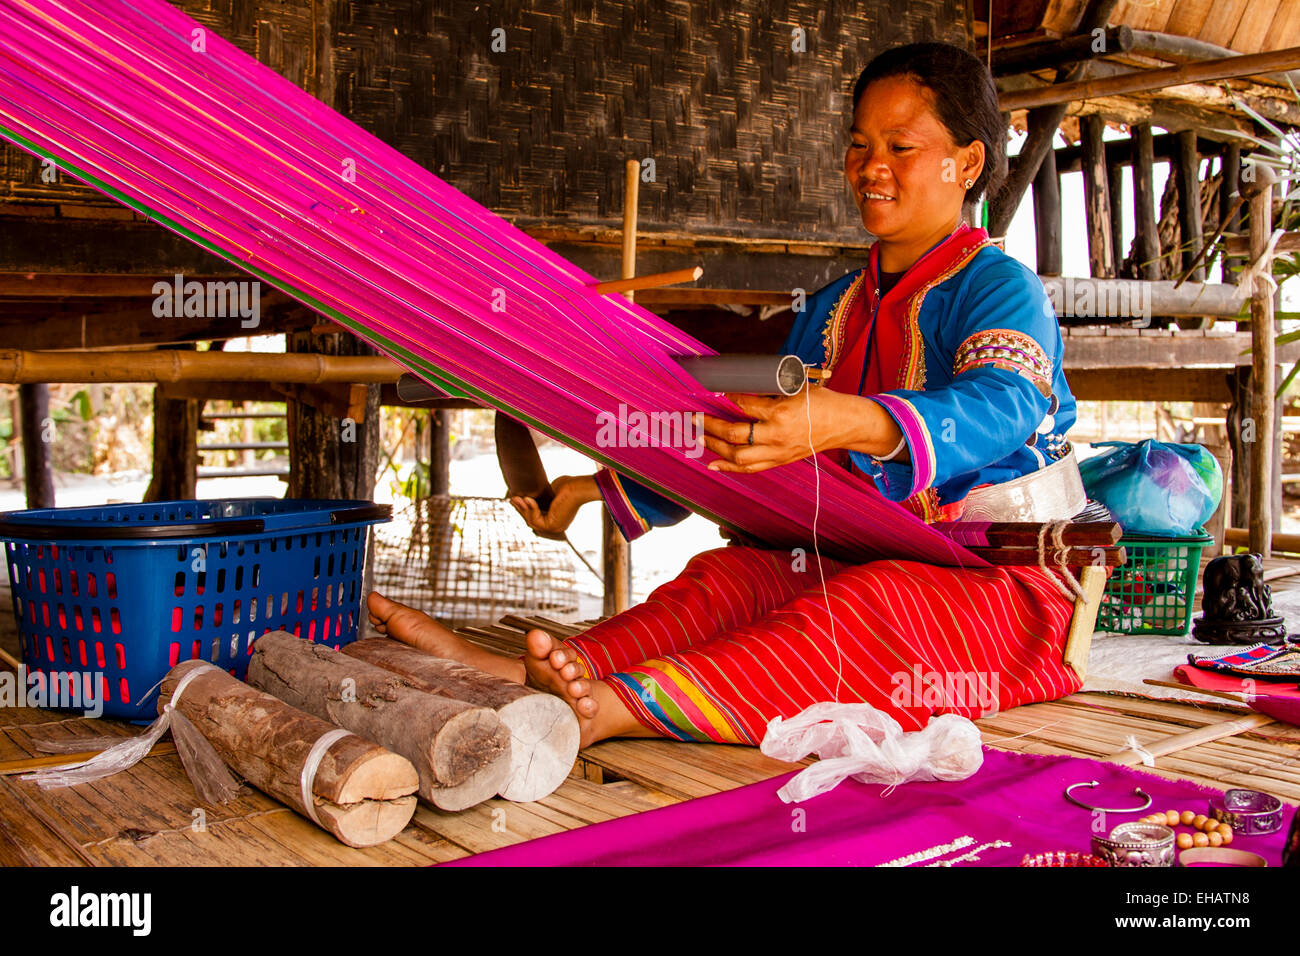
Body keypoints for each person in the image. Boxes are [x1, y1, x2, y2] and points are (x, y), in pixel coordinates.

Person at [368, 41, 1087, 749]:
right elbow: (749, 440)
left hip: (1004, 586)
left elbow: (1005, 403)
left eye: (900, 147)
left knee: (868, 605)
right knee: (730, 574)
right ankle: (545, 672)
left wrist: (853, 420)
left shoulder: (1000, 287)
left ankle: (618, 708)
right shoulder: (831, 307)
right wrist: (591, 490)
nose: (870, 167)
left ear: (967, 163)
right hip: (859, 557)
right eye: (860, 143)